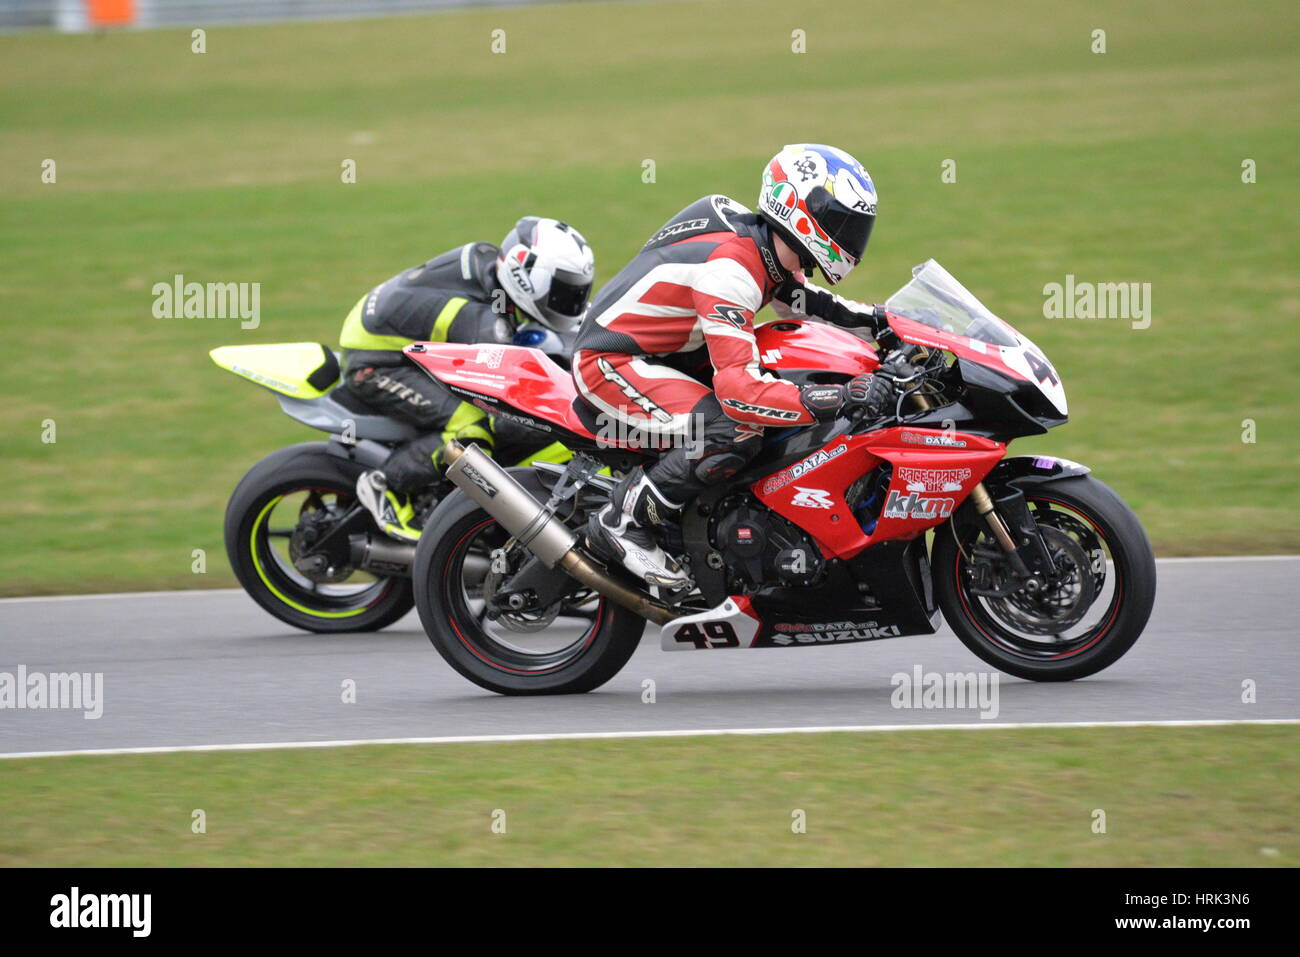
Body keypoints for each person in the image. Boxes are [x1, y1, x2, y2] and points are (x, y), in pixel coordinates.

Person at [571, 144, 893, 589]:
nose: (852, 237)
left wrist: (889, 324)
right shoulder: (732, 269)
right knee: (734, 429)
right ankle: (622, 522)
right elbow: (740, 394)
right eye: (843, 223)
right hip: (614, 362)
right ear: (801, 212)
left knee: (779, 390)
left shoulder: (771, 253)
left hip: (669, 354)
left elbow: (813, 305)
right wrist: (837, 399)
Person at [341, 217, 595, 540]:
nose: (571, 302)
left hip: (404, 340)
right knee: (473, 422)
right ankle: (385, 485)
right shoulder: (484, 323)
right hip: (378, 362)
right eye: (564, 294)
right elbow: (502, 398)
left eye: (577, 292)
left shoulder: (495, 269)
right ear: (525, 277)